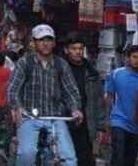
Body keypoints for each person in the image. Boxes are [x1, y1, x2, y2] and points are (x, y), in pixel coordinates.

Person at [5, 24, 83, 166]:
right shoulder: (25, 63)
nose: (45, 43)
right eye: (41, 40)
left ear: (53, 42)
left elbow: (71, 91)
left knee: (69, 159)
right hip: (29, 117)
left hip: (55, 117)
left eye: (49, 39)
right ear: (34, 42)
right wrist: (18, 107)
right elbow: (12, 89)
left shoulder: (61, 65)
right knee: (27, 154)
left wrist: (75, 109)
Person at [63, 32, 106, 166]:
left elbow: (99, 101)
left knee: (85, 158)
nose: (77, 52)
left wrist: (100, 127)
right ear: (66, 50)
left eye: (80, 49)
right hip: (65, 120)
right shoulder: (60, 69)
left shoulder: (92, 72)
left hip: (87, 122)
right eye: (73, 49)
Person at [104, 45, 138, 166]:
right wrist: (107, 118)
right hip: (118, 119)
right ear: (127, 58)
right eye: (134, 57)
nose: (137, 60)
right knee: (119, 151)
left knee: (131, 157)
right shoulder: (116, 74)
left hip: (135, 123)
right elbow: (109, 96)